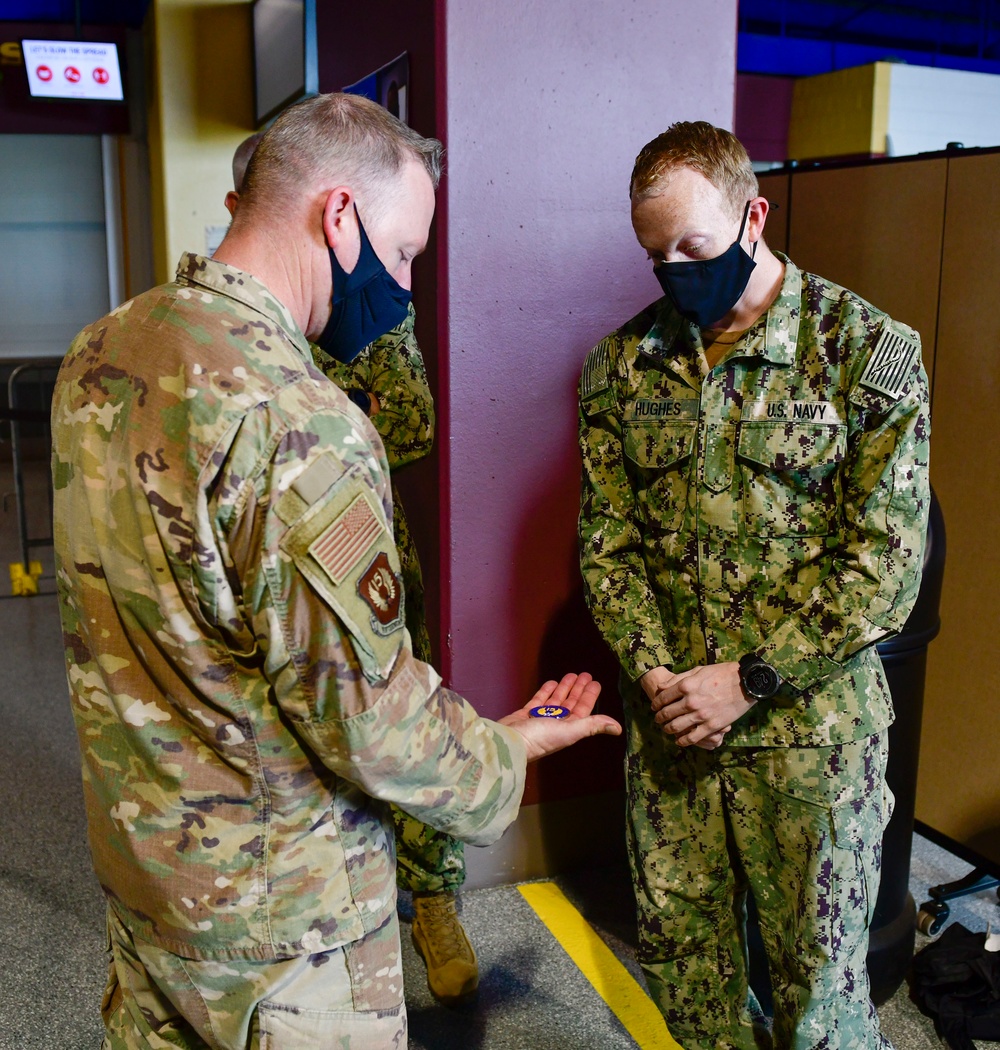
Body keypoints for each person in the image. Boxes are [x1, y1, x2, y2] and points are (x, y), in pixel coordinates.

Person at [52, 92, 621, 1049]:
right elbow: (369, 723)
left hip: (150, 873)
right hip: (282, 926)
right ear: (340, 215)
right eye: (403, 252)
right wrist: (504, 748)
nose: (401, 285)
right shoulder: (296, 420)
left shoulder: (103, 349)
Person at [577, 121, 930, 1049]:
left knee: (820, 1000)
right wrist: (658, 677)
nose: (677, 270)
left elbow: (886, 568)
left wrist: (750, 679)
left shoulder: (866, 353)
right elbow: (606, 548)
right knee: (688, 974)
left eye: (694, 245)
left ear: (754, 215)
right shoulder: (622, 366)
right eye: (656, 255)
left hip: (809, 740)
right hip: (674, 738)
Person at [226, 134, 479, 1004]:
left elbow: (409, 424)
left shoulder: (371, 305)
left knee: (400, 705)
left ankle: (435, 901)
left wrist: (328, 427)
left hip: (365, 553)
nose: (402, 275)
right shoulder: (231, 333)